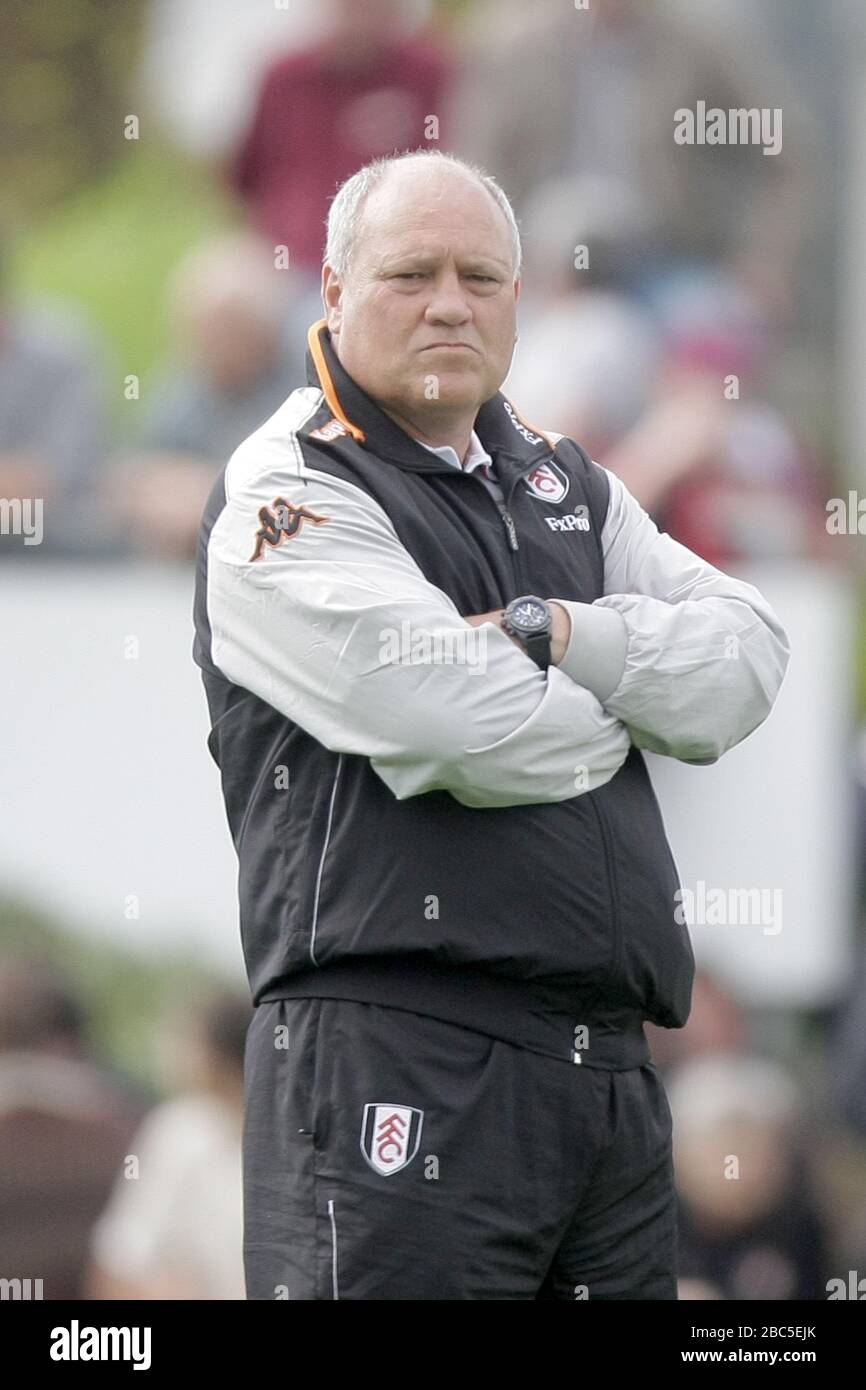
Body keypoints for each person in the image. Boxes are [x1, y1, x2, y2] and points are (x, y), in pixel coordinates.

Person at [192, 149, 790, 1300]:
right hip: (393, 1057)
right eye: (412, 273)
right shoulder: (289, 487)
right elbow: (463, 724)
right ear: (331, 290)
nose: (449, 302)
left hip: (606, 1080)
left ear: (520, 301)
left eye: (480, 275)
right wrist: (634, 707)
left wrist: (562, 633)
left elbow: (746, 663)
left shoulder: (561, 477)